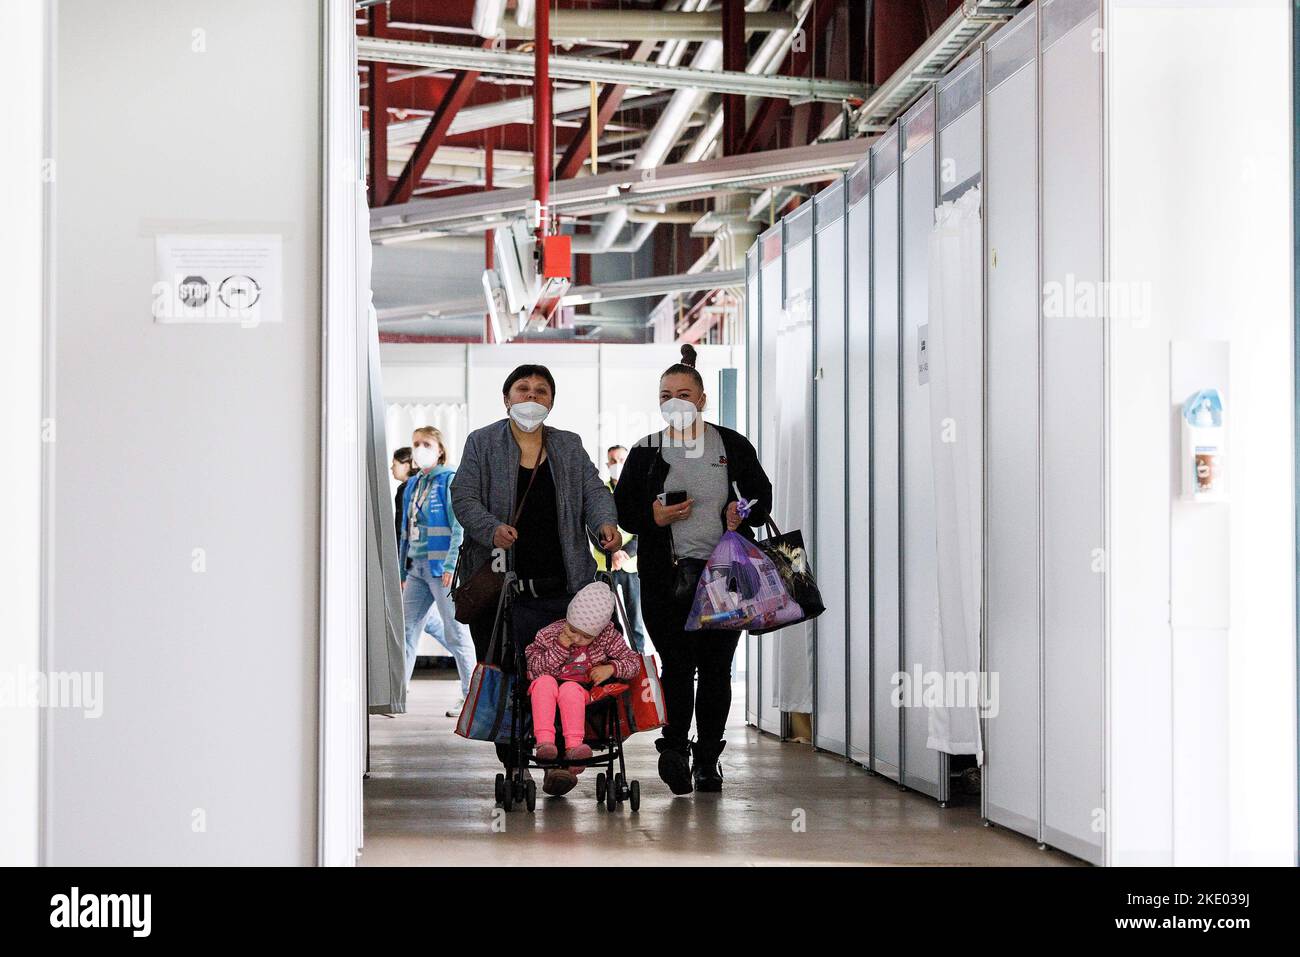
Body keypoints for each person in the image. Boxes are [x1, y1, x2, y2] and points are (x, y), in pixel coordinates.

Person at [614, 344, 773, 796]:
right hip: (666, 578)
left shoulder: (731, 445)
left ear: (702, 399)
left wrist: (740, 512)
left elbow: (761, 499)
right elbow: (625, 511)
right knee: (677, 667)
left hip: (726, 575)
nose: (675, 401)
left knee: (718, 668)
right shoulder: (646, 452)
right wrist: (655, 518)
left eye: (684, 393)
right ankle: (674, 749)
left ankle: (707, 759)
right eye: (666, 394)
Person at [450, 364, 620, 769]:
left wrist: (604, 524)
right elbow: (464, 497)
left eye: (541, 391)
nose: (531, 397)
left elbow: (594, 490)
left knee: (566, 672)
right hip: (500, 586)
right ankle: (515, 763)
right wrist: (491, 529)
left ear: (551, 401)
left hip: (562, 586)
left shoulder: (568, 445)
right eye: (522, 389)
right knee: (507, 676)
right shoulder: (483, 442)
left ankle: (563, 759)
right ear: (506, 398)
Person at [524, 582, 642, 796]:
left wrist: (611, 667)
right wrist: (560, 646)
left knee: (570, 689)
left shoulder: (607, 637)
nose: (576, 639)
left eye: (585, 637)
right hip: (546, 683)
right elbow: (534, 666)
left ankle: (574, 749)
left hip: (579, 689)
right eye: (572, 631)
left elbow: (633, 663)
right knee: (544, 683)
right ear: (567, 620)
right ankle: (545, 744)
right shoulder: (550, 634)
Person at [397, 426, 477, 717]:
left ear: (440, 448)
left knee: (456, 632)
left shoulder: (449, 479)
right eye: (416, 443)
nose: (420, 448)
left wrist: (452, 565)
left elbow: (459, 525)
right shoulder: (414, 484)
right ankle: (397, 694)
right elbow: (406, 530)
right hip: (416, 568)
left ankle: (471, 697)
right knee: (405, 629)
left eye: (426, 443)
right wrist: (402, 570)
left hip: (441, 567)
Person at [592, 445, 648, 653]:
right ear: (607, 465)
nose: (617, 465)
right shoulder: (600, 493)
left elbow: (642, 528)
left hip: (631, 566)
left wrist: (625, 553)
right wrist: (611, 552)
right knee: (608, 622)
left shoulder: (637, 493)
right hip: (605, 567)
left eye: (622, 460)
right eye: (613, 461)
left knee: (636, 620)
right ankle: (612, 661)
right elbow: (592, 527)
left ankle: (638, 659)